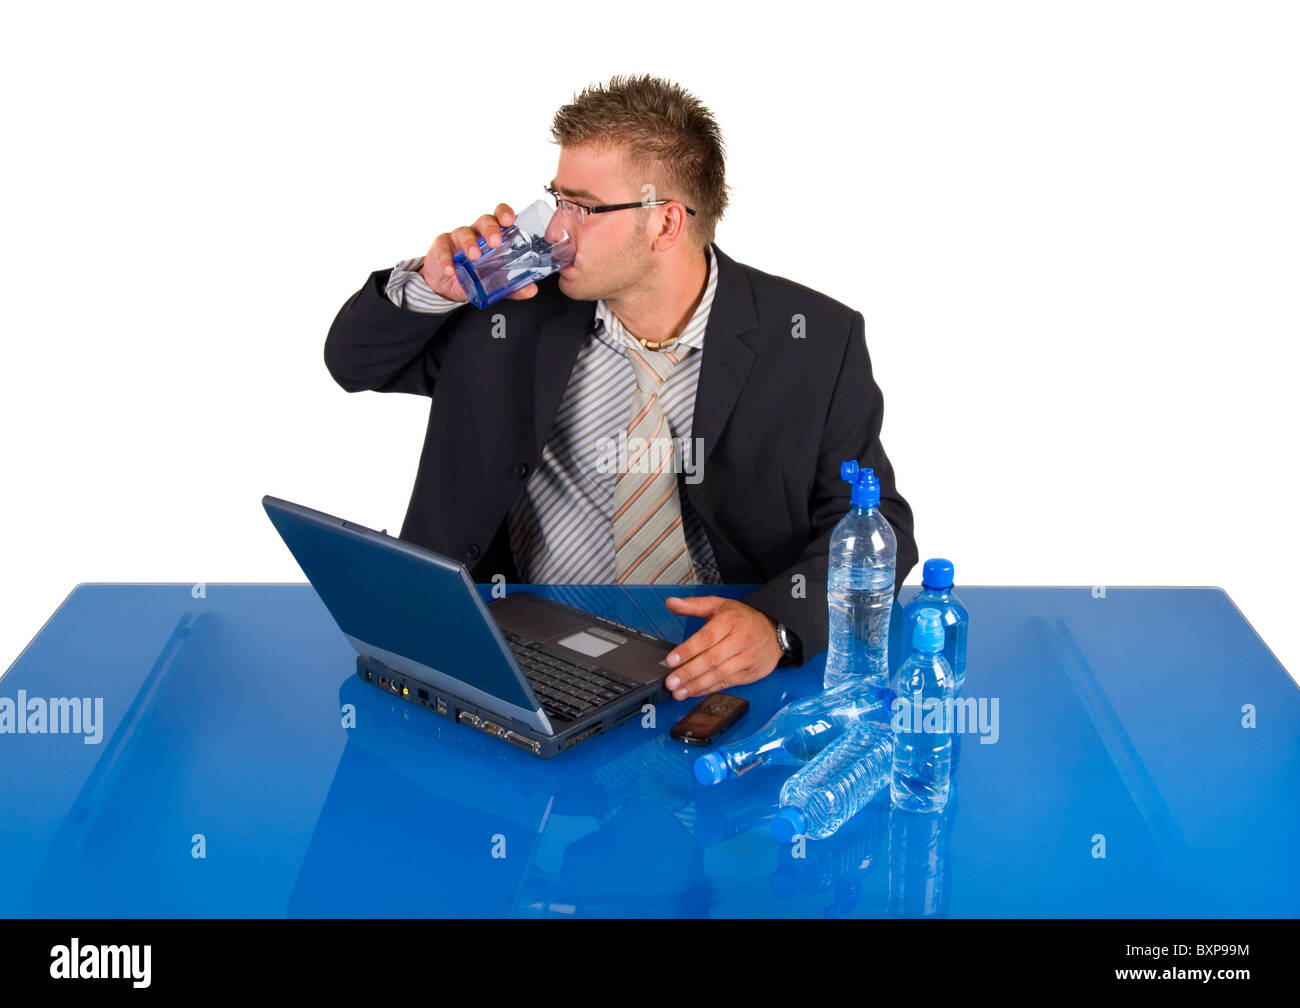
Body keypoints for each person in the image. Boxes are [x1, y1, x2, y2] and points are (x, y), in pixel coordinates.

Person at [324, 74, 917, 701]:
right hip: (514, 647)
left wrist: (775, 624)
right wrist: (433, 285)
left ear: (665, 224)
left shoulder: (814, 341)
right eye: (555, 198)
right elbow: (354, 363)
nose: (554, 228)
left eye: (581, 207)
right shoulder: (508, 308)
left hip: (709, 665)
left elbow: (880, 527)